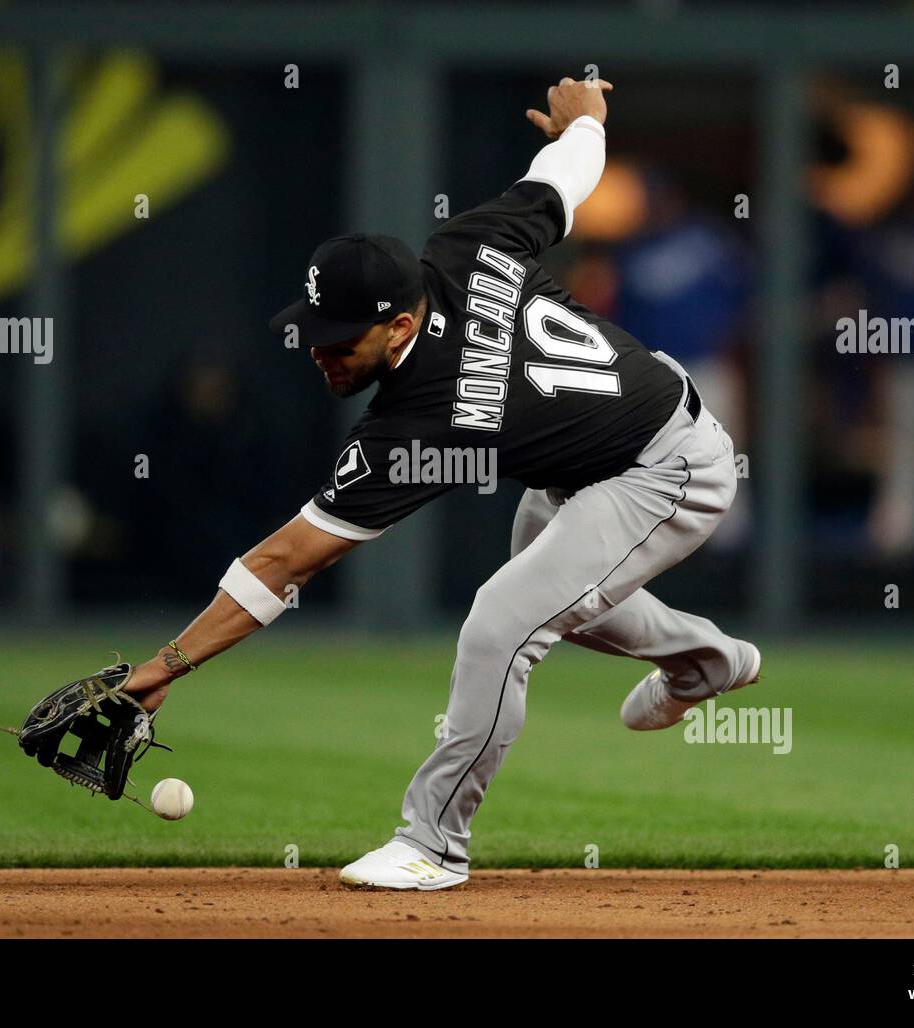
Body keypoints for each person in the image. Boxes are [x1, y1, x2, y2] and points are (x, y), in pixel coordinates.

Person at [119, 78, 759, 890]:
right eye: (313, 333)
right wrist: (590, 120)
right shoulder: (467, 247)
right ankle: (705, 660)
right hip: (588, 469)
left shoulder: (418, 419)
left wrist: (166, 666)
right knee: (558, 594)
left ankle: (434, 844)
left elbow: (288, 562)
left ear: (400, 325)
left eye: (340, 341)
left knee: (503, 620)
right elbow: (564, 174)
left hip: (668, 467)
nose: (320, 353)